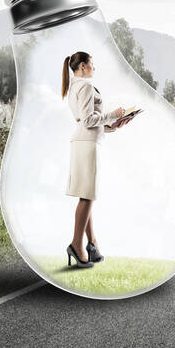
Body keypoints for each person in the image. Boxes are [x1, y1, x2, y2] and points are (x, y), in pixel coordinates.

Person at [60, 51, 136, 268]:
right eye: (92, 64)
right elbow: (88, 120)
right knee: (87, 196)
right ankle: (77, 245)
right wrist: (113, 114)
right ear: (82, 66)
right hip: (87, 144)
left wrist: (113, 125)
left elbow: (90, 123)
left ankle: (91, 245)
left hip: (85, 142)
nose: (94, 67)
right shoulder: (83, 86)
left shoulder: (76, 86)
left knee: (86, 195)